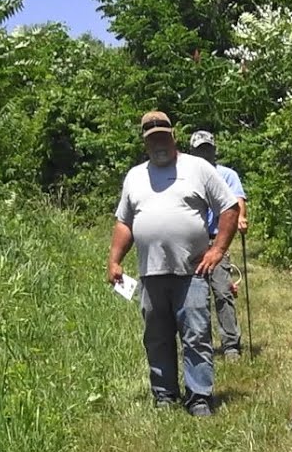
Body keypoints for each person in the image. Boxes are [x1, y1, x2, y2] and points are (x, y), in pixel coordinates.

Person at [107, 111, 241, 416]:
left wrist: (217, 250)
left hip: (191, 271)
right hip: (150, 273)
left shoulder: (198, 169)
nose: (159, 144)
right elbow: (124, 222)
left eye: (163, 137)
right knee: (157, 336)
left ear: (173, 136)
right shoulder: (135, 176)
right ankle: (165, 395)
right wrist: (114, 260)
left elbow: (230, 207)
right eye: (152, 139)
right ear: (145, 143)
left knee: (195, 334)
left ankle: (199, 398)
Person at [188, 130, 249, 361]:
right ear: (192, 153)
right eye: (199, 150)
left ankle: (231, 344)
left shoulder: (227, 174)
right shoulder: (186, 176)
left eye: (207, 149)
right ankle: (199, 343)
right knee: (196, 296)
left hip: (216, 240)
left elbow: (237, 201)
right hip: (193, 241)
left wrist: (241, 218)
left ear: (214, 150)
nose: (204, 154)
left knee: (222, 292)